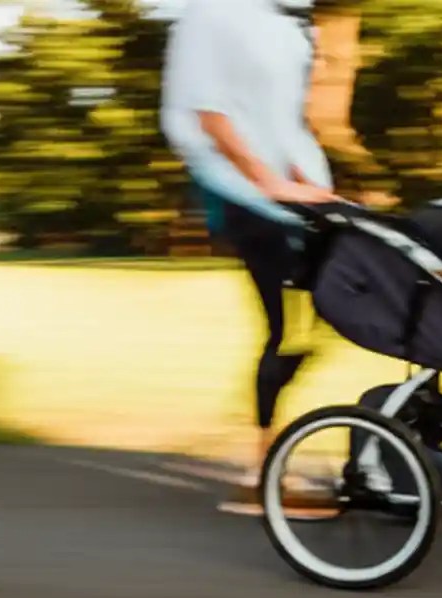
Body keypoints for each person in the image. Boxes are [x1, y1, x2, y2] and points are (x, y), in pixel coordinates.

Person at [161, 0, 339, 516]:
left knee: (330, 315)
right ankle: (262, 470)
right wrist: (268, 183)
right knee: (288, 329)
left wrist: (311, 185)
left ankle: (269, 453)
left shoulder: (282, 25)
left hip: (289, 189)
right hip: (238, 191)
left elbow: (283, 120)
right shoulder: (209, 15)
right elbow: (209, 112)